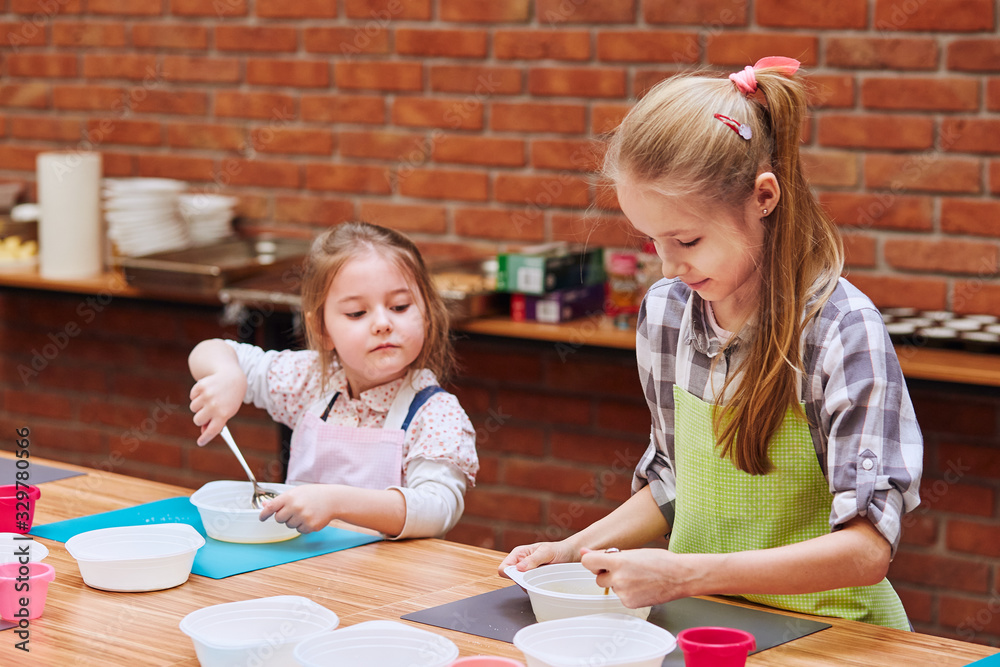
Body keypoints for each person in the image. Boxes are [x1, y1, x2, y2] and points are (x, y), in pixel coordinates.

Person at [499, 57, 922, 630]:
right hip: (710, 624)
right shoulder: (667, 312)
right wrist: (572, 548)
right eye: (652, 241)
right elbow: (675, 482)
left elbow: (867, 550)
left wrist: (686, 574)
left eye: (687, 238)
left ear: (763, 197)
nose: (670, 266)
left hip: (835, 633)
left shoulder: (841, 331)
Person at [188, 222, 478, 539]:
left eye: (399, 306)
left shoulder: (435, 414)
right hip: (302, 570)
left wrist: (335, 501)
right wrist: (229, 375)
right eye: (356, 313)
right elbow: (211, 351)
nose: (382, 323)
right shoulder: (310, 381)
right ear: (323, 329)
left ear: (426, 314)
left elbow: (437, 510)